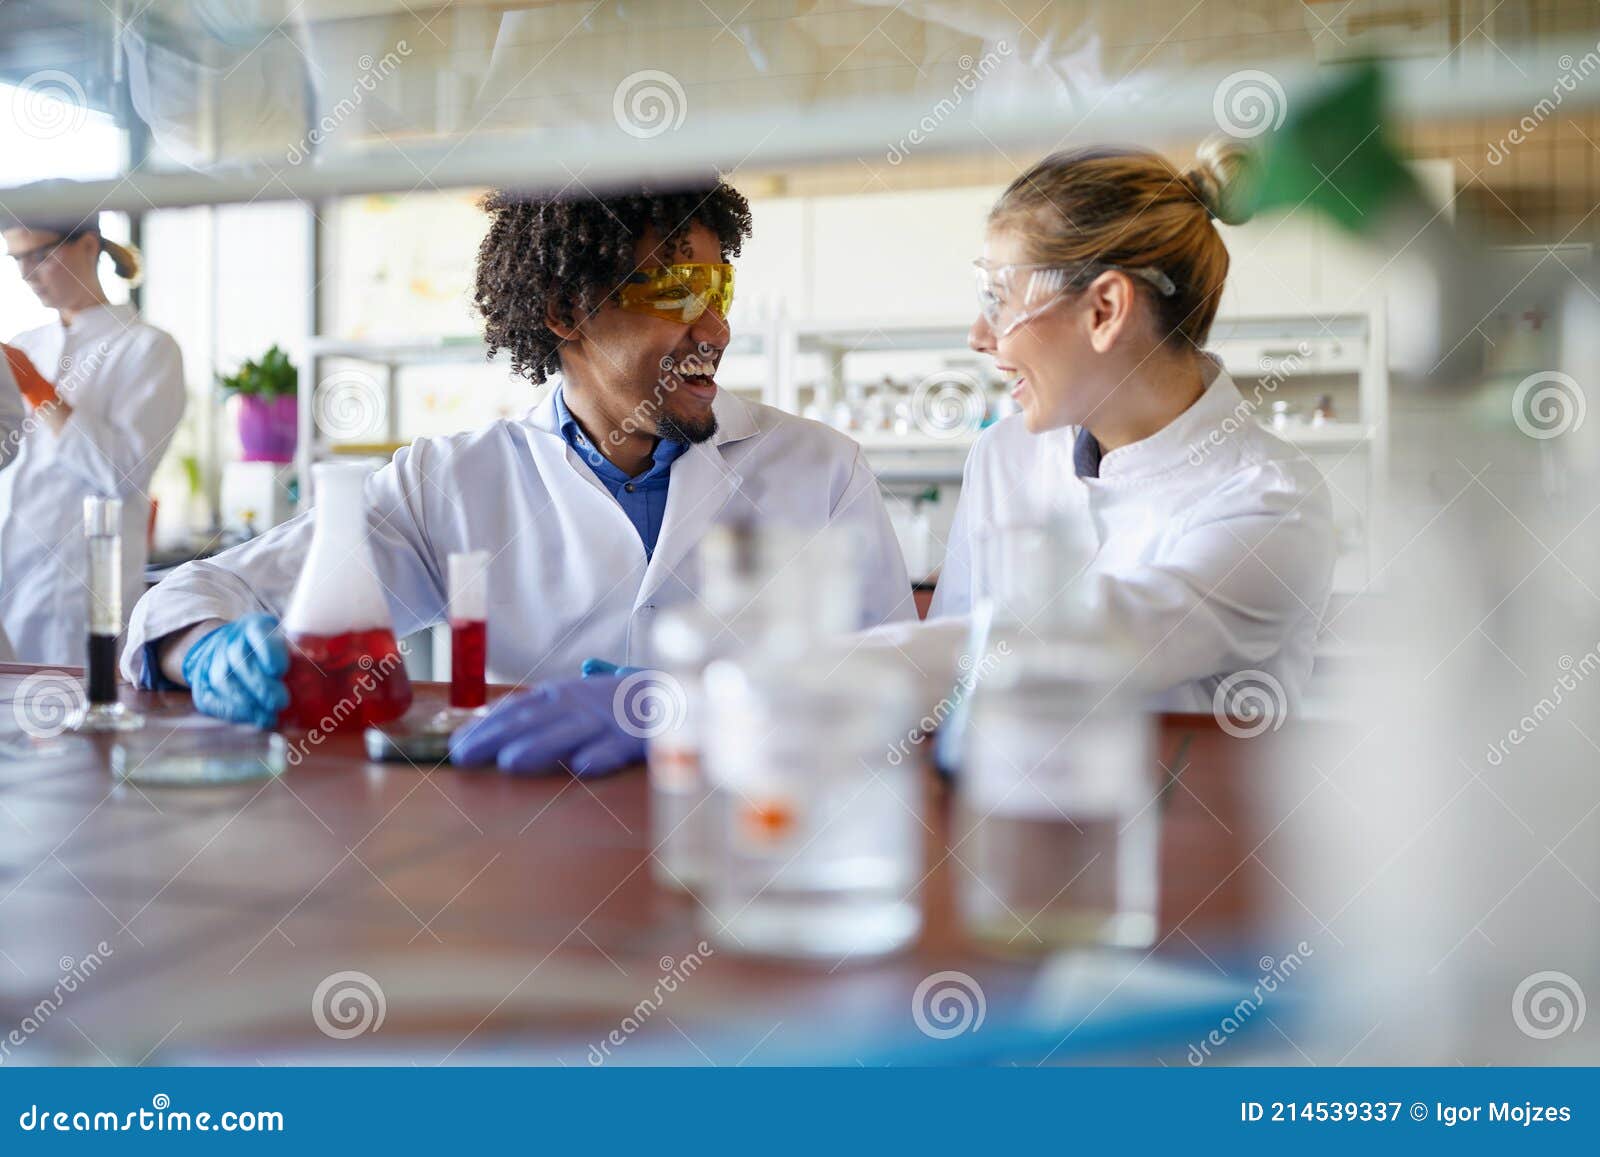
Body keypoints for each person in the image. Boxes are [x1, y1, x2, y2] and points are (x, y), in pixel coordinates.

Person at [123, 177, 915, 772]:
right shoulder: (451, 483)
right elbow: (195, 596)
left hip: (747, 837)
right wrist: (199, 650)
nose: (716, 326)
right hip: (520, 849)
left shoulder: (819, 469)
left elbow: (902, 685)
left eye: (721, 290)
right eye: (679, 292)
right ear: (566, 311)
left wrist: (689, 709)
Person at [919, 140, 1336, 713]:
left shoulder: (1273, 499)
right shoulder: (1003, 455)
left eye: (999, 300)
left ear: (1105, 310)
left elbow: (1095, 641)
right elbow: (947, 688)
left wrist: (815, 661)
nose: (978, 335)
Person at [0, 204, 187, 665]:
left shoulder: (148, 347)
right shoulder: (26, 343)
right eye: (16, 259)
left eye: (39, 254)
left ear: (87, 246)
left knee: (79, 725)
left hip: (78, 595)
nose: (27, 274)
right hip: (11, 584)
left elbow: (121, 474)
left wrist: (36, 387)